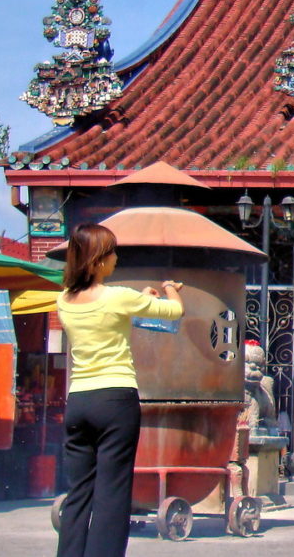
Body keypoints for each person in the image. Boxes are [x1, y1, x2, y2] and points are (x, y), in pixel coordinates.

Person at [55, 224, 185, 557]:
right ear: (97, 260)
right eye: (111, 252)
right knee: (112, 493)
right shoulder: (118, 295)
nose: (116, 257)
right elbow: (174, 312)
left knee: (79, 491)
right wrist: (171, 289)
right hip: (115, 399)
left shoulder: (64, 300)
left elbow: (111, 316)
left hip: (79, 401)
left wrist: (142, 299)